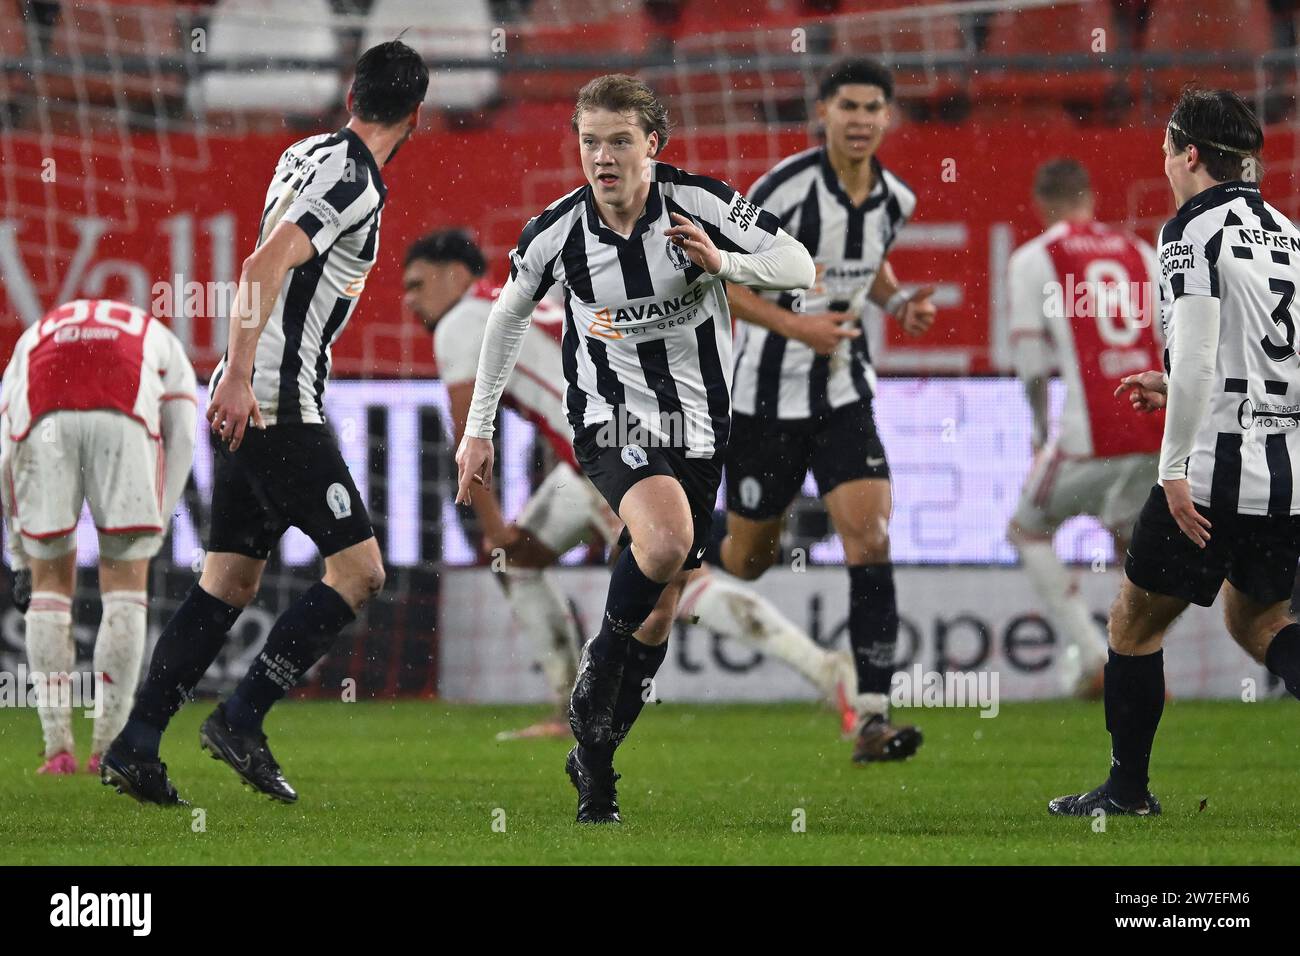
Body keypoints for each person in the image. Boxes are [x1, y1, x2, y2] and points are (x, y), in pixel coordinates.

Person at [455, 74, 816, 823]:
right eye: (590, 141)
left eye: (620, 140)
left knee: (660, 613)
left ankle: (595, 763)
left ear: (654, 143)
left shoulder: (707, 203)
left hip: (700, 430)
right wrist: (478, 429)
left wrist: (725, 263)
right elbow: (505, 320)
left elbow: (799, 266)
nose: (603, 156)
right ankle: (593, 674)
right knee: (667, 540)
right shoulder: (556, 232)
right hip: (610, 420)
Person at [102, 40, 430, 806]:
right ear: (416, 115)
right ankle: (241, 718)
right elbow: (260, 267)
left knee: (227, 582)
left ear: (352, 95)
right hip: (276, 402)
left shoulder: (304, 151)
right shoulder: (356, 180)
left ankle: (136, 744)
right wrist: (245, 376)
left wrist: (232, 377)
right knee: (361, 573)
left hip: (248, 394)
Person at [405, 230, 854, 740]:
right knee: (516, 562)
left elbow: (472, 436)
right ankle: (568, 707)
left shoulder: (460, 324)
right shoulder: (532, 290)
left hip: (608, 451)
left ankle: (824, 669)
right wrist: (792, 326)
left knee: (679, 585)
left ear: (454, 274)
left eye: (417, 284)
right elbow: (702, 290)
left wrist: (492, 527)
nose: (410, 299)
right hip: (629, 433)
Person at [1050, 89, 1300, 817]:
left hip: (1216, 472)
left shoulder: (1190, 232)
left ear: (1190, 154)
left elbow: (1195, 361)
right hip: (1286, 476)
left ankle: (1127, 791)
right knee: (1257, 624)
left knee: (1133, 622)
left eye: (1166, 147)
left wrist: (1174, 469)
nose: (1163, 161)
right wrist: (1188, 383)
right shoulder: (1288, 232)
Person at [702, 58, 937, 763]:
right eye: (848, 107)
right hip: (764, 399)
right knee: (749, 561)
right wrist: (796, 325)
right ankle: (677, 540)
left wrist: (898, 304)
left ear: (888, 117)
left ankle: (871, 716)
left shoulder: (897, 197)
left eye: (873, 107)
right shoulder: (785, 189)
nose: (861, 119)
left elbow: (871, 261)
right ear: (824, 113)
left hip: (842, 393)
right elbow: (714, 273)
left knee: (870, 540)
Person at [1, 298, 197, 777]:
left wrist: (18, 553)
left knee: (48, 584)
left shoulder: (36, 335)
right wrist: (162, 513)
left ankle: (57, 749)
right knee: (126, 581)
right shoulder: (155, 334)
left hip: (43, 420)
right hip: (123, 418)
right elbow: (185, 434)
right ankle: (107, 746)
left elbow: (7, 442)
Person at [1006, 158, 1163, 696]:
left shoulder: (1033, 258)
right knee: (1136, 551)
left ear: (1041, 204)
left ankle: (1094, 655)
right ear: (1090, 198)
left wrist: (1037, 431)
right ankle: (1141, 669)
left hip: (1087, 434)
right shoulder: (1141, 252)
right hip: (1154, 429)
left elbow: (1030, 365)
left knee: (1026, 529)